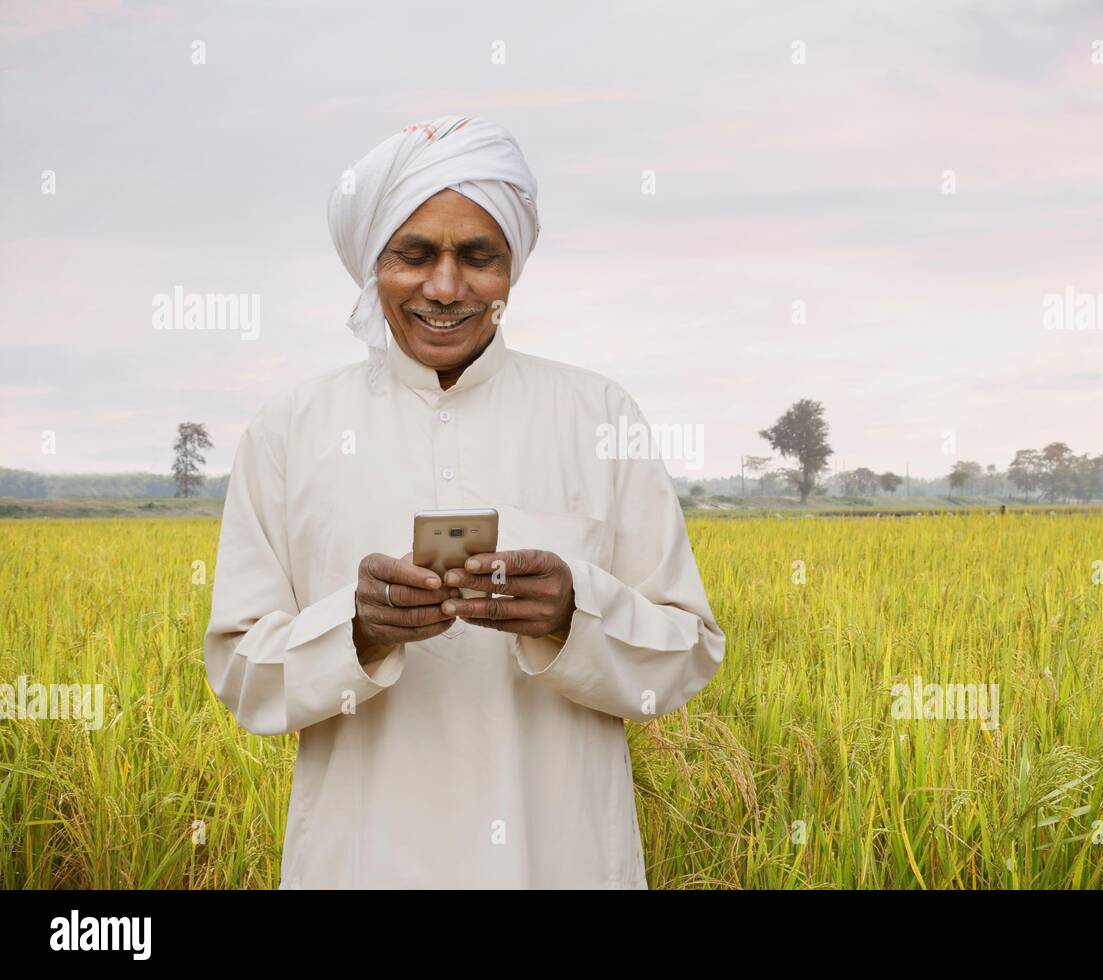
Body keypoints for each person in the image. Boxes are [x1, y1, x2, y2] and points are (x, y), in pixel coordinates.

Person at [203, 115, 726, 888]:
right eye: (413, 255)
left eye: (477, 257)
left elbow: (686, 652)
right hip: (360, 861)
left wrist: (573, 611)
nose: (445, 287)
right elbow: (243, 675)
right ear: (372, 262)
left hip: (558, 859)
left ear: (511, 266)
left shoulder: (598, 415)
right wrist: (354, 628)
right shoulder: (290, 430)